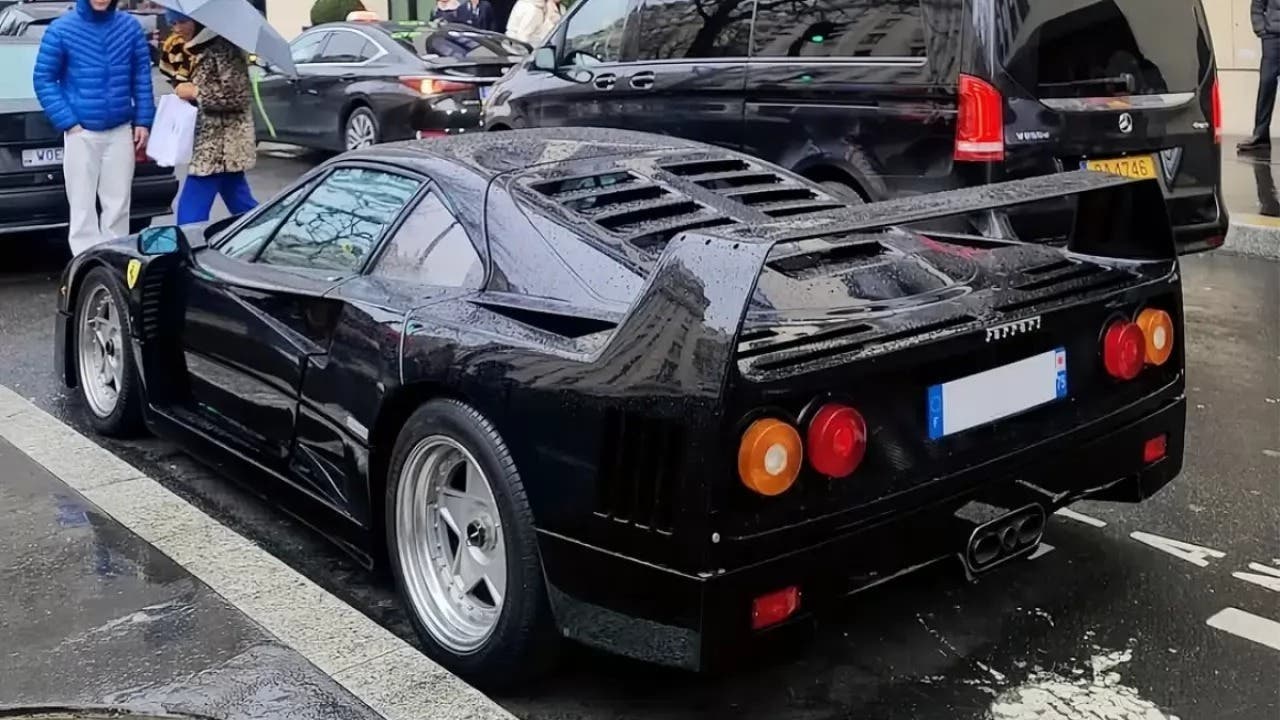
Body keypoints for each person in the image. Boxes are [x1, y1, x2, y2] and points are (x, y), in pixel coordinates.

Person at [32, 0, 154, 256]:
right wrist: (69, 122)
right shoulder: (61, 29)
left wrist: (143, 120)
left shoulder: (130, 27)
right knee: (82, 206)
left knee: (119, 204)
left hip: (120, 128)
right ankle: (85, 265)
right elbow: (43, 79)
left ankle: (115, 262)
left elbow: (141, 75)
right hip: (82, 132)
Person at [172, 22, 258, 224]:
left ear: (196, 23)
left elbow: (238, 96)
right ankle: (268, 237)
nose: (176, 28)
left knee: (190, 213)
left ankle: (186, 251)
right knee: (243, 207)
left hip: (219, 147)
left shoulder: (223, 49)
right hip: (219, 145)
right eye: (172, 23)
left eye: (181, 22)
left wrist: (195, 92)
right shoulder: (204, 48)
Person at [1242, 0, 1280, 153]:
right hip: (1272, 38)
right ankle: (1260, 135)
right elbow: (1257, 6)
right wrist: (1262, 30)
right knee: (1266, 83)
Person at [158, 11, 195, 86]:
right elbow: (168, 70)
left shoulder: (215, 46)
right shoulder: (174, 45)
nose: (178, 29)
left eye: (183, 22)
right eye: (174, 24)